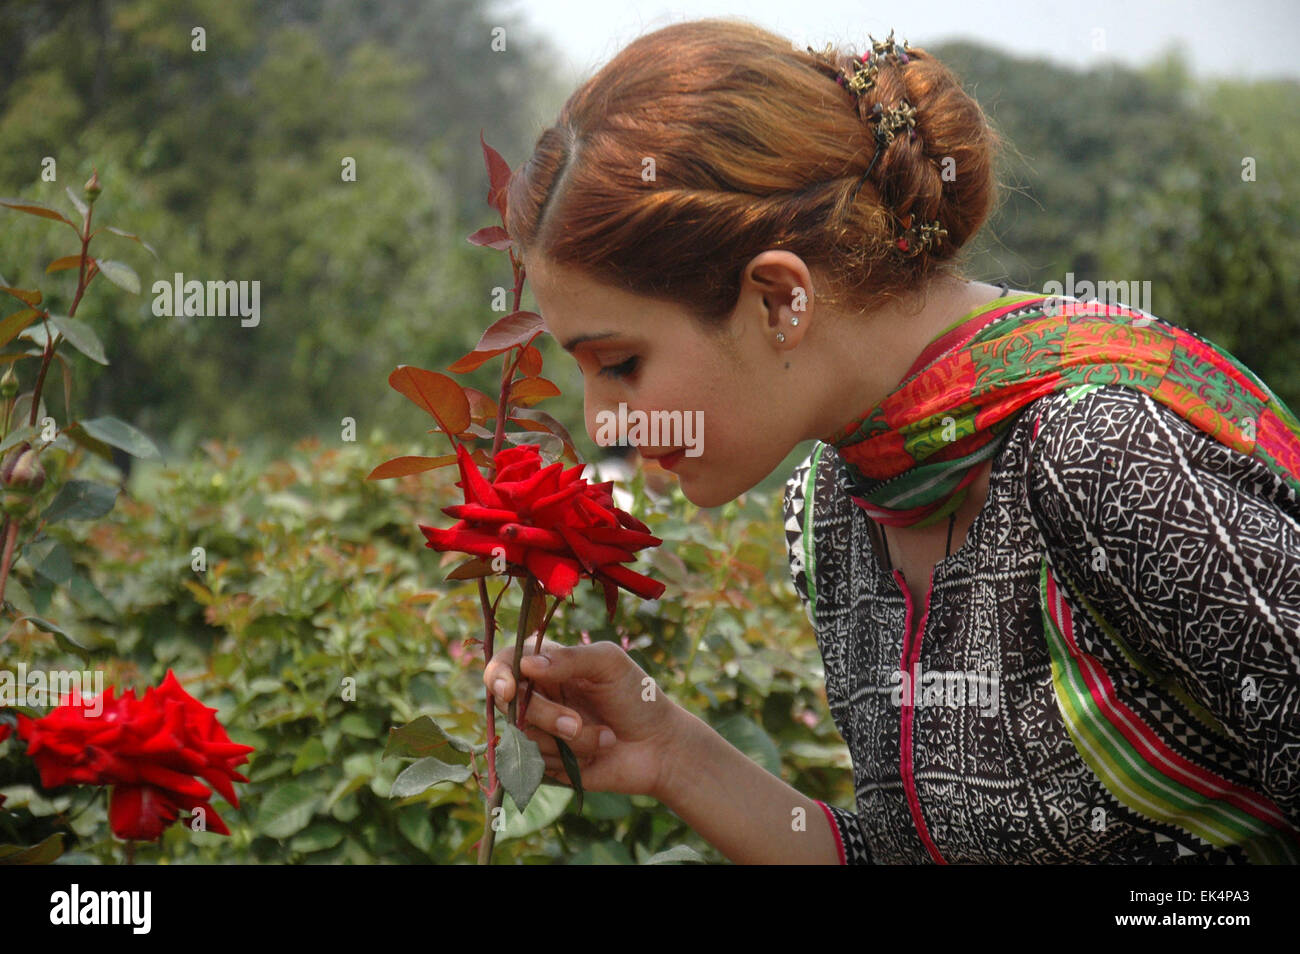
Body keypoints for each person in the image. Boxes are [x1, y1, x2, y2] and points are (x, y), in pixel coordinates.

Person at [483, 18, 1300, 863]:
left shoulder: (1099, 453)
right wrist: (671, 754)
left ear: (778, 302)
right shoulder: (839, 507)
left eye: (619, 362)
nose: (601, 423)